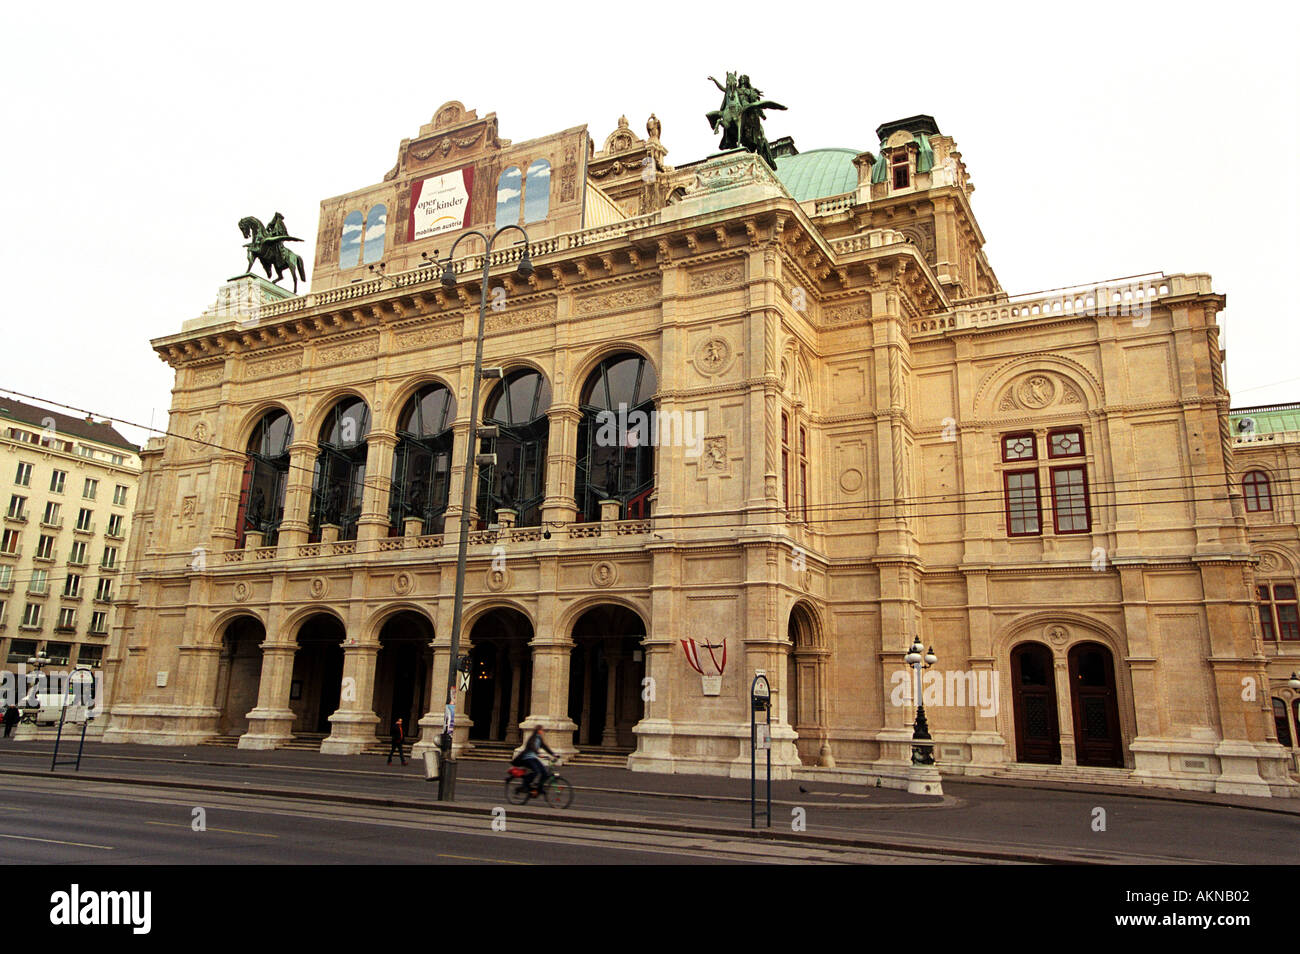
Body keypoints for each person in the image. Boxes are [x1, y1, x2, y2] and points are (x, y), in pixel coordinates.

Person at [513, 725, 556, 797]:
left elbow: (545, 747)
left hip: (534, 758)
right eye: (541, 730)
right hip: (527, 758)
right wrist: (538, 753)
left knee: (544, 773)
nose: (542, 732)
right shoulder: (533, 738)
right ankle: (525, 785)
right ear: (538, 730)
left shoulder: (539, 739)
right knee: (536, 771)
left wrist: (553, 754)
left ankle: (539, 788)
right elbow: (532, 747)